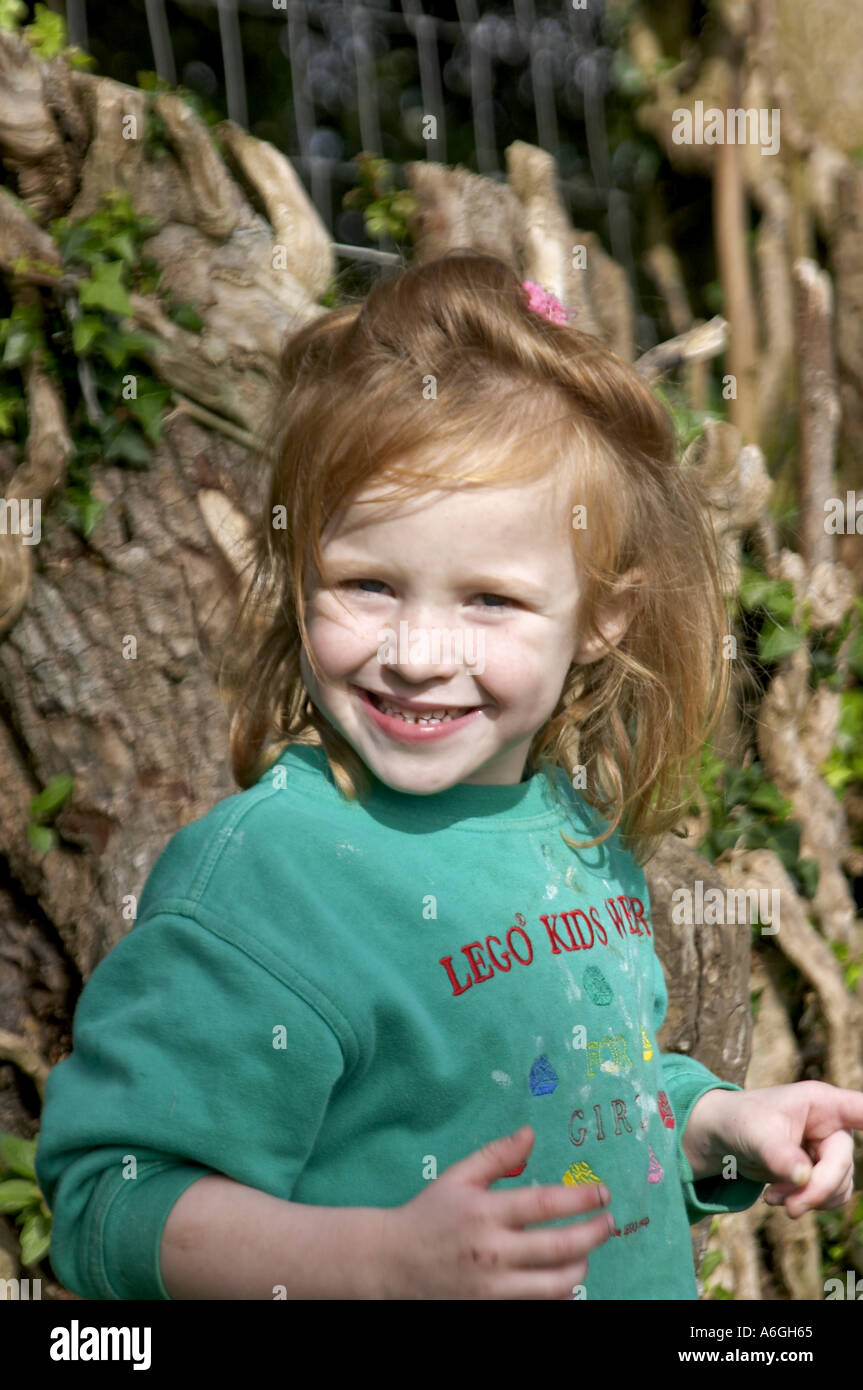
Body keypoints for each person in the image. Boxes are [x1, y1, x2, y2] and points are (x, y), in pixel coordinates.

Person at [35, 251, 861, 1301]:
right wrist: (379, 1264)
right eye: (368, 583)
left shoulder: (565, 829)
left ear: (602, 613)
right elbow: (112, 1202)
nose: (419, 651)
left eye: (489, 600)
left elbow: (577, 1095)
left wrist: (713, 1127)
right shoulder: (268, 878)